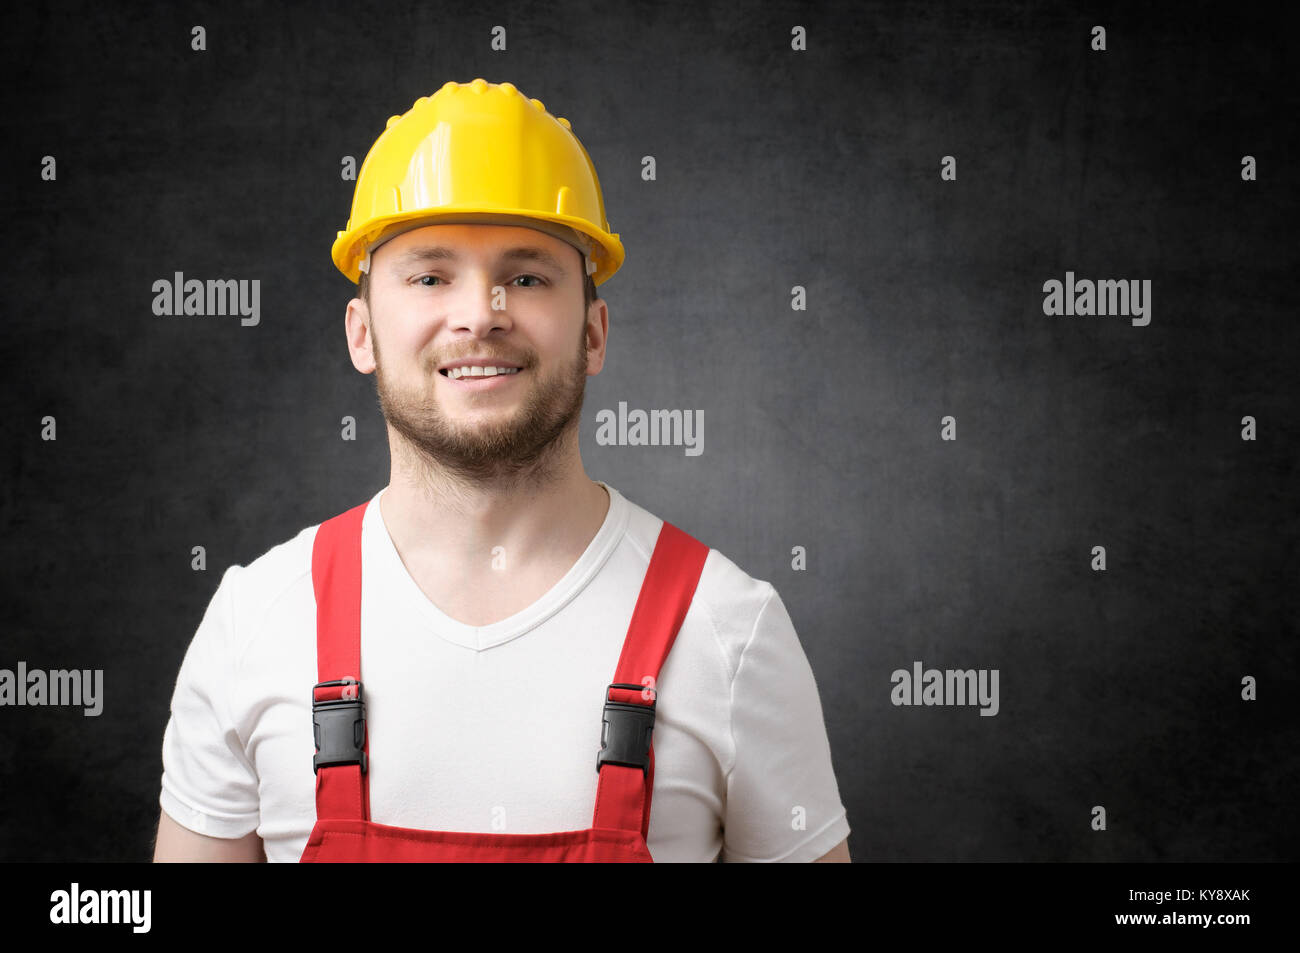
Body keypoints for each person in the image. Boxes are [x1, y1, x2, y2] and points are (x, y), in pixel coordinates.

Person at [153, 78, 850, 862]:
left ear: (593, 332)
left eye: (527, 276)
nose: (480, 312)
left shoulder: (729, 632)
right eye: (428, 275)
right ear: (362, 333)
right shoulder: (257, 623)